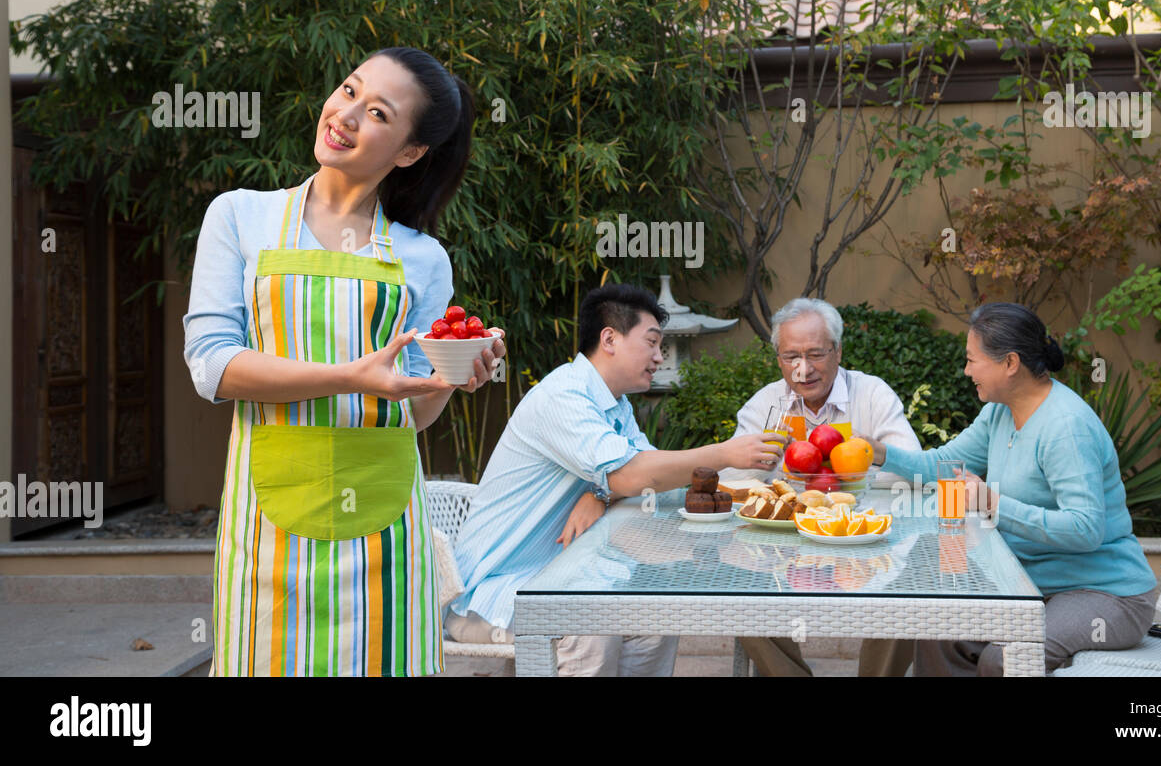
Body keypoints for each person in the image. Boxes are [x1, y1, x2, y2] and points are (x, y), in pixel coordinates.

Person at [183, 47, 505, 676]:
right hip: (266, 529)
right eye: (350, 90)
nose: (346, 114)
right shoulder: (240, 216)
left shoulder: (422, 257)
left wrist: (450, 376)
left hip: (385, 531)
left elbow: (410, 415)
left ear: (409, 152)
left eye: (378, 112)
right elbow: (212, 366)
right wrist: (349, 378)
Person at [446, 283, 787, 675]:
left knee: (655, 614)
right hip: (492, 591)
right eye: (652, 343)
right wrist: (725, 452)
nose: (659, 357)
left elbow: (648, 477)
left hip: (562, 578)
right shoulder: (564, 395)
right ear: (609, 338)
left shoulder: (616, 405)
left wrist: (601, 495)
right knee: (593, 622)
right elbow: (628, 475)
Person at [874, 302, 1158, 675]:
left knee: (1004, 660)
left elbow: (1086, 530)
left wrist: (991, 505)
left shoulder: (1065, 428)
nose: (966, 371)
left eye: (972, 360)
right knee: (938, 629)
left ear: (1010, 363)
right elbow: (942, 466)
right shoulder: (1000, 410)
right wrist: (875, 452)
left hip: (1104, 595)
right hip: (1029, 584)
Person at [722, 297, 923, 677]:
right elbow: (732, 484)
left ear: (838, 352)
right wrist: (765, 466)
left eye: (815, 354)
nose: (803, 369)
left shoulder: (872, 394)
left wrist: (853, 476)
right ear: (778, 358)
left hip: (864, 537)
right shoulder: (766, 403)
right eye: (790, 357)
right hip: (784, 543)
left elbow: (913, 470)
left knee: (905, 600)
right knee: (741, 597)